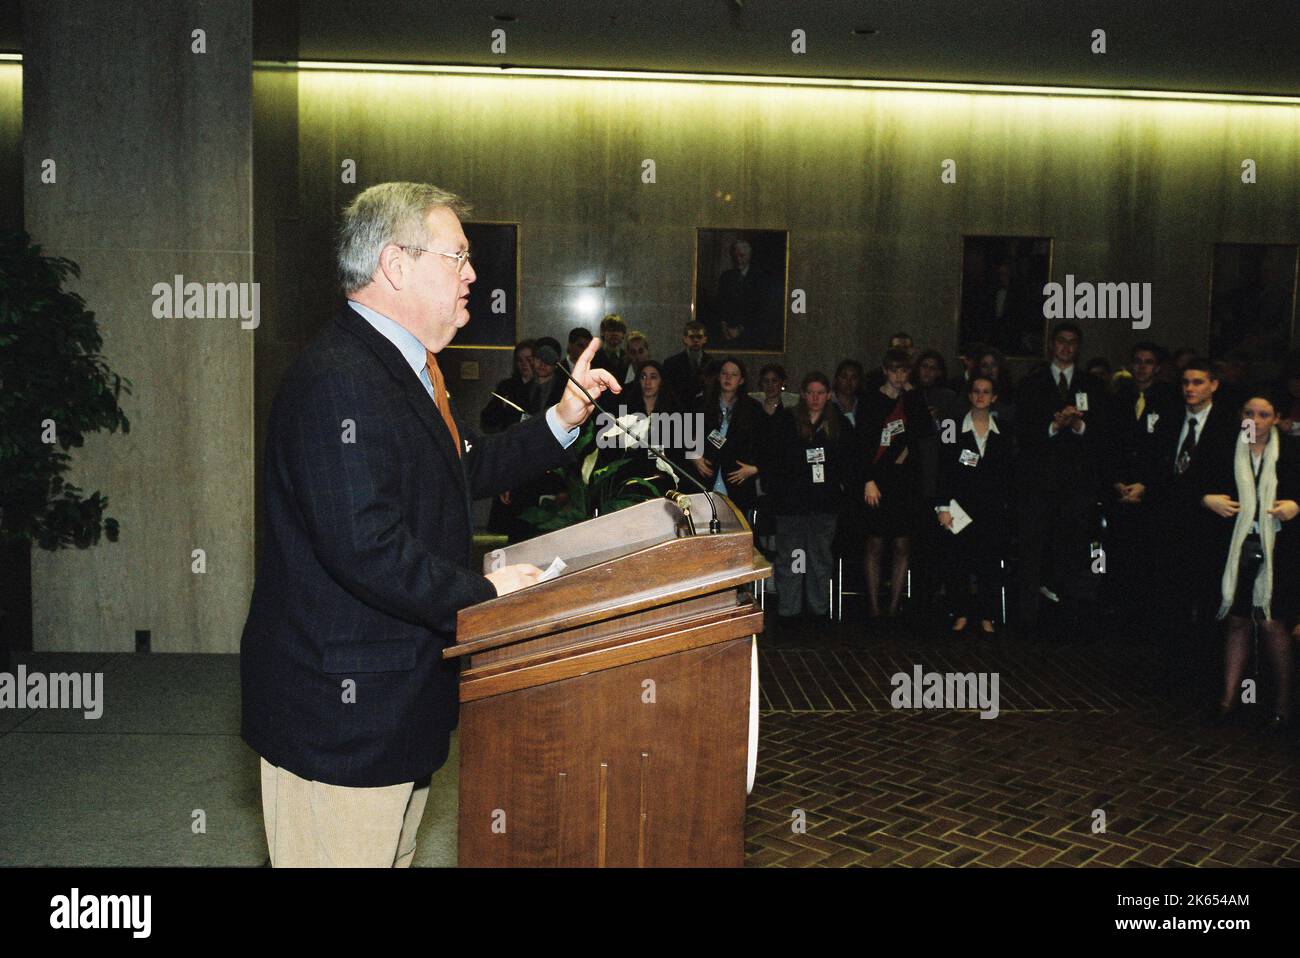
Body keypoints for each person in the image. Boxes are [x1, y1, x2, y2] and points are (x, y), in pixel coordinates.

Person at [239, 182, 620, 867]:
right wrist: (487, 596)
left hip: (395, 709)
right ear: (397, 265)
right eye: (459, 257)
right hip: (343, 722)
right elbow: (365, 546)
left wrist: (562, 420)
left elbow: (457, 471)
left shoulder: (406, 369)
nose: (473, 274)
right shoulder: (339, 381)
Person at [1201, 392, 1300, 729]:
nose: (1255, 422)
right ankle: (1229, 700)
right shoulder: (1224, 446)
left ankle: (1283, 705)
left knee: (1273, 624)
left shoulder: (1291, 451)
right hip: (1234, 548)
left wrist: (1295, 506)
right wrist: (1207, 498)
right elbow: (1193, 483)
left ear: (1275, 419)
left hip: (1280, 551)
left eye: (1263, 415)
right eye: (1249, 413)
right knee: (1238, 621)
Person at [1013, 322, 1109, 639]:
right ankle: (1028, 621)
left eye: (1072, 343)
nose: (1066, 348)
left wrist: (1078, 425)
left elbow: (1103, 436)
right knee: (1033, 553)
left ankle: (1066, 621)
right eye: (1061, 342)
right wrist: (1053, 426)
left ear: (1078, 348)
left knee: (1070, 553)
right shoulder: (1032, 383)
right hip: (1039, 485)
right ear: (1052, 345)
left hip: (1076, 488)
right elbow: (1022, 433)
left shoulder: (1091, 385)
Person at [766, 373, 853, 619]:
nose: (815, 398)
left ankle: (818, 610)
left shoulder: (838, 424)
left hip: (824, 504)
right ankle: (789, 610)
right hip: (791, 504)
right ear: (803, 394)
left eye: (820, 393)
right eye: (811, 393)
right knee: (793, 559)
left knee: (819, 559)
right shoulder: (786, 420)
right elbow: (774, 459)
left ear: (828, 395)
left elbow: (847, 462)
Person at [934, 376, 1015, 636]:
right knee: (957, 562)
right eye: (976, 391)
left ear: (994, 398)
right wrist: (942, 506)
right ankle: (960, 613)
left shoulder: (1004, 430)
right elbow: (942, 469)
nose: (980, 396)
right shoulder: (951, 426)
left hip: (992, 509)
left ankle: (987, 616)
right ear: (969, 395)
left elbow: (1009, 475)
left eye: (986, 392)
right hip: (960, 506)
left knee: (989, 564)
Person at [858, 348, 935, 618]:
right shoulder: (871, 399)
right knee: (875, 544)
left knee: (902, 544)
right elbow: (863, 443)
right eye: (894, 370)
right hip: (878, 479)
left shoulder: (913, 398)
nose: (899, 376)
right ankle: (874, 608)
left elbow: (925, 432)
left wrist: (912, 396)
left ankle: (893, 608)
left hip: (905, 481)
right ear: (885, 371)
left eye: (904, 371)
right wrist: (867, 478)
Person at [693, 357, 764, 514]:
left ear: (741, 380)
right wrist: (694, 456)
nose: (728, 378)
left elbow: (766, 445)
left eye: (734, 374)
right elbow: (684, 434)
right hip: (706, 477)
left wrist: (754, 469)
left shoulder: (754, 409)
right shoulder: (702, 404)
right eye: (724, 373)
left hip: (738, 481)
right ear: (718, 377)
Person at [480, 339, 535, 433]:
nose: (524, 364)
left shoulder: (543, 386)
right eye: (520, 360)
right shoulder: (506, 386)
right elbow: (488, 418)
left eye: (529, 360)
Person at [663, 320, 712, 404]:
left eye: (699, 337)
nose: (696, 340)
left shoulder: (712, 363)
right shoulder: (671, 364)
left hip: (704, 411)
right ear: (685, 339)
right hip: (679, 411)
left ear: (705, 339)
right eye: (692, 337)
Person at [592, 313, 629, 382]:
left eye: (618, 330)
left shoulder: (628, 357)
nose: (615, 333)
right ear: (603, 333)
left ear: (623, 334)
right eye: (611, 330)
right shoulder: (594, 358)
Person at [830, 359, 864, 426]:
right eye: (844, 377)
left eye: (854, 377)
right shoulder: (827, 403)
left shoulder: (864, 405)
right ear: (836, 379)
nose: (849, 382)